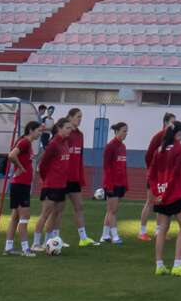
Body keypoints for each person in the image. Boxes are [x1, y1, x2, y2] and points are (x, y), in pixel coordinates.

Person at [146, 121, 181, 277]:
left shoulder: (159, 150)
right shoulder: (179, 149)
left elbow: (151, 175)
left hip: (161, 195)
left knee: (162, 228)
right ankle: (177, 265)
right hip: (174, 194)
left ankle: (159, 265)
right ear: (180, 134)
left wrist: (157, 193)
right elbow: (175, 175)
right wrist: (166, 193)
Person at [35, 119, 76, 252]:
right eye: (68, 128)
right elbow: (42, 165)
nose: (71, 130)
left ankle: (50, 241)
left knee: (57, 213)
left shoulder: (65, 143)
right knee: (45, 214)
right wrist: (46, 180)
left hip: (61, 185)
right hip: (51, 185)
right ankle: (35, 243)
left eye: (71, 128)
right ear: (59, 128)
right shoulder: (53, 144)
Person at [60, 108, 96, 247]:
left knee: (79, 206)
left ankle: (83, 237)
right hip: (62, 177)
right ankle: (54, 238)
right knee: (58, 209)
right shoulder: (64, 134)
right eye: (78, 117)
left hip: (74, 177)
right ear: (70, 117)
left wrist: (80, 176)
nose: (80, 119)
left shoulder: (80, 135)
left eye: (81, 117)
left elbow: (79, 158)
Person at [138, 112, 177, 240]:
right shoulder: (158, 136)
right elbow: (148, 155)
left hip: (165, 177)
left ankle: (158, 230)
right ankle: (142, 231)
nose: (174, 125)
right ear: (165, 123)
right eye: (172, 122)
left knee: (161, 203)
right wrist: (153, 171)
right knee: (150, 202)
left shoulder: (172, 139)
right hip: (155, 176)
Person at [5, 120, 40, 256]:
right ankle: (26, 249)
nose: (39, 133)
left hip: (20, 184)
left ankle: (8, 247)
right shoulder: (25, 142)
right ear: (31, 130)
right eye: (38, 130)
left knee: (15, 216)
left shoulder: (27, 143)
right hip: (20, 184)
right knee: (25, 216)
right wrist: (20, 167)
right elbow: (11, 155)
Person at [99, 122, 129, 244]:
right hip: (112, 183)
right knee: (112, 210)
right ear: (116, 131)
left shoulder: (123, 147)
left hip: (120, 182)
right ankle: (115, 236)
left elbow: (123, 166)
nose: (125, 133)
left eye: (126, 131)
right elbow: (106, 167)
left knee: (110, 210)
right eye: (123, 131)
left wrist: (125, 183)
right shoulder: (110, 146)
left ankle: (105, 235)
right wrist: (109, 184)